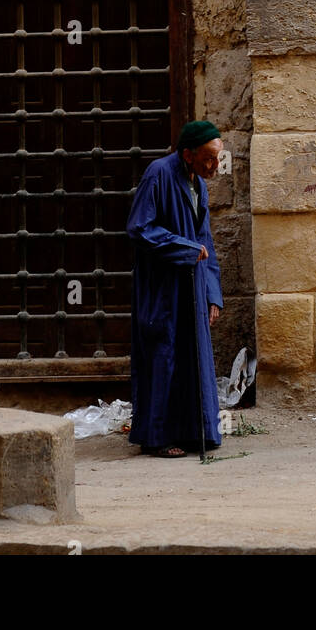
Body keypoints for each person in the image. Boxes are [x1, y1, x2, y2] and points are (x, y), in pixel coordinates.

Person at [126, 120, 225, 458]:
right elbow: (139, 228)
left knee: (192, 357)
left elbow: (206, 241)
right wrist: (182, 248)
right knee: (163, 354)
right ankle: (157, 438)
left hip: (193, 286)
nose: (214, 166)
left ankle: (195, 432)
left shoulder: (199, 183)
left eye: (217, 158)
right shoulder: (159, 174)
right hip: (162, 287)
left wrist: (213, 295)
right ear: (188, 154)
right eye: (209, 159)